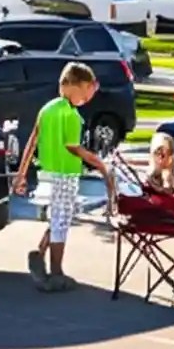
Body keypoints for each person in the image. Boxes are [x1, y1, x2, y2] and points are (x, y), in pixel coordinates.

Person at [12, 62, 112, 293]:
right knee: (61, 223)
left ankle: (39, 254)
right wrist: (100, 164)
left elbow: (32, 141)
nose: (87, 98)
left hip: (46, 173)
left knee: (58, 218)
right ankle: (56, 273)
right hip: (64, 175)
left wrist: (21, 173)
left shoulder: (47, 109)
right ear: (70, 86)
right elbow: (74, 148)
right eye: (86, 91)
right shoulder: (70, 115)